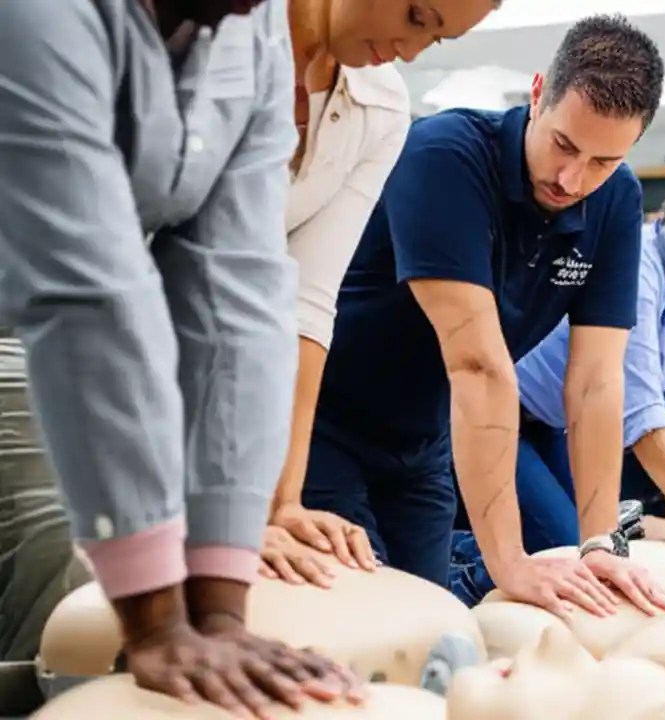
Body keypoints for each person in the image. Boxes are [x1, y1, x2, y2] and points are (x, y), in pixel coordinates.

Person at [0, 1, 357, 717]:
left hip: (90, 307)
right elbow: (89, 292)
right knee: (63, 545)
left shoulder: (250, 31)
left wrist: (219, 606)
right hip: (39, 304)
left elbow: (240, 295)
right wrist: (157, 623)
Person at [303, 15, 665, 619]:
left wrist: (600, 543)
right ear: (536, 94)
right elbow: (477, 364)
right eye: (563, 144)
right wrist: (511, 563)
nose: (572, 179)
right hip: (325, 425)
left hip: (424, 442)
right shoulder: (444, 156)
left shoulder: (617, 198)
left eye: (603, 161)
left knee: (430, 624)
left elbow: (597, 381)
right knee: (356, 620)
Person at [449, 165, 665, 606]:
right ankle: (440, 572)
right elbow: (640, 405)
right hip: (504, 412)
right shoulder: (637, 266)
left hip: (552, 424)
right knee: (570, 544)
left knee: (597, 542)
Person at [259, 0, 499, 587]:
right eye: (417, 16)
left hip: (214, 366)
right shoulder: (217, 36)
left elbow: (308, 305)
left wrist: (280, 504)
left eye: (437, 40)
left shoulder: (383, 105)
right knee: (75, 577)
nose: (412, 50)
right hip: (64, 317)